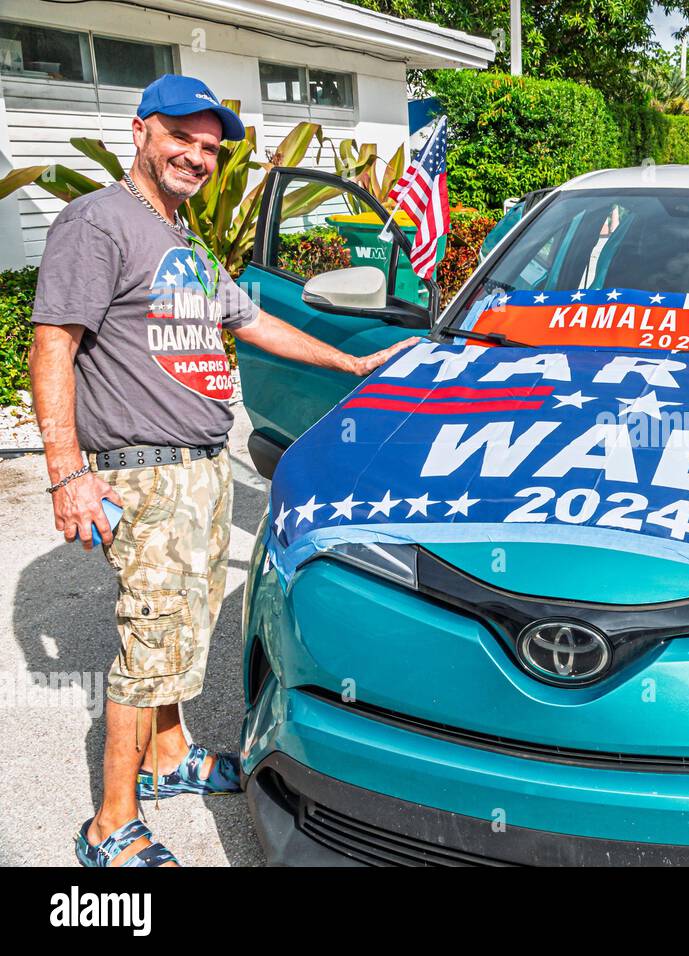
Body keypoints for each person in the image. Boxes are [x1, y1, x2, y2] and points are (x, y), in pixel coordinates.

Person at [28, 74, 420, 867]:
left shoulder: (183, 242)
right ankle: (111, 823)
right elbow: (54, 344)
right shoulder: (99, 222)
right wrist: (68, 473)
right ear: (141, 132)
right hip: (145, 471)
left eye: (210, 147)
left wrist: (351, 359)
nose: (198, 157)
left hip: (202, 471)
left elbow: (256, 320)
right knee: (149, 648)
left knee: (183, 633)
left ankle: (171, 759)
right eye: (183, 137)